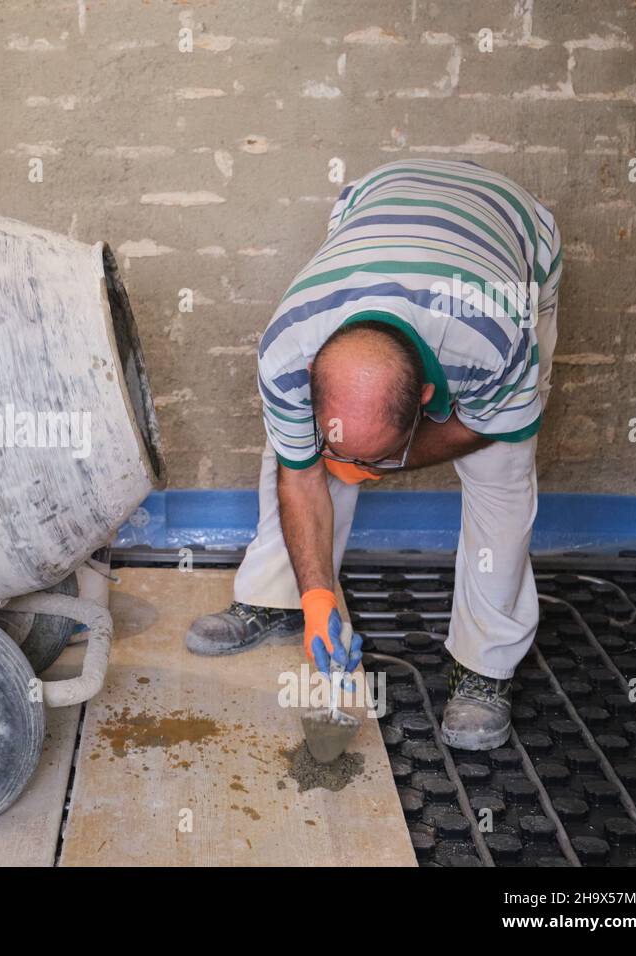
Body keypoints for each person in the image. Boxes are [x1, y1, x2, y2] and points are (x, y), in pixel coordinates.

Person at [186, 159, 561, 751]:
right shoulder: (288, 348)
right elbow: (298, 469)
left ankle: (485, 668)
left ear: (429, 400)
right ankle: (282, 598)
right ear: (311, 377)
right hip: (377, 201)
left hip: (511, 238)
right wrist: (319, 600)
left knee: (503, 476)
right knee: (292, 452)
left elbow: (490, 427)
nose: (353, 466)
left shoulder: (493, 338)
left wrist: (374, 463)